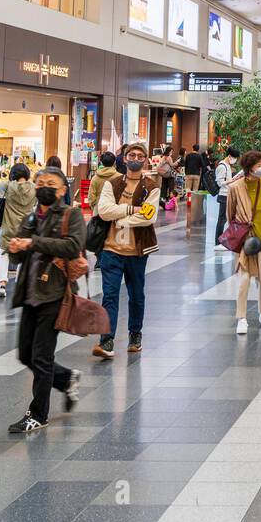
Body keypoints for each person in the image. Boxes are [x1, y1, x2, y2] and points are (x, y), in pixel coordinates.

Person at [6, 164, 85, 433]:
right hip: (30, 294)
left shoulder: (70, 214)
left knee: (41, 356)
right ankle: (66, 379)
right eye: (40, 182)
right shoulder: (31, 218)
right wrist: (15, 247)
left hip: (54, 293)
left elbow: (73, 246)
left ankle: (38, 413)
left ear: (63, 189)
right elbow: (19, 252)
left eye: (51, 183)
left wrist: (33, 243)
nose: (44, 187)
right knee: (25, 354)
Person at [94, 141, 161, 360]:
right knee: (110, 295)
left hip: (137, 251)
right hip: (110, 249)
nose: (135, 159)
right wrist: (132, 209)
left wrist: (122, 219)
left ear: (146, 160)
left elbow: (148, 216)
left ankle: (135, 334)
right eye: (131, 155)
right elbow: (104, 211)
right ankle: (107, 339)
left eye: (140, 156)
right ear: (124, 158)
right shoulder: (111, 184)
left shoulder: (152, 186)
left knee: (136, 295)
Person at [225, 149, 261, 335]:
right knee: (244, 279)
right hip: (246, 242)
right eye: (259, 165)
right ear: (249, 168)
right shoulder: (235, 187)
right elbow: (230, 214)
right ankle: (241, 317)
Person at [0, 163, 36, 300]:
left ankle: (2, 285)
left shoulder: (9, 186)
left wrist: (10, 179)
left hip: (8, 227)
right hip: (25, 229)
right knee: (22, 257)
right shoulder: (33, 188)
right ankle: (19, 285)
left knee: (4, 255)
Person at [213, 146, 240, 249]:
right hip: (223, 195)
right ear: (229, 156)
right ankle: (218, 242)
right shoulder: (222, 166)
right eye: (234, 158)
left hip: (228, 194)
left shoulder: (228, 165)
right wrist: (232, 180)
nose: (235, 160)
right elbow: (220, 183)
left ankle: (221, 242)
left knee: (224, 219)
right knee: (222, 219)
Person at [155, 145, 175, 209]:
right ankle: (170, 199)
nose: (172, 152)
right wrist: (177, 162)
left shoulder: (163, 157)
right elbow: (172, 165)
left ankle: (163, 198)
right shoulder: (169, 157)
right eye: (171, 151)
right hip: (169, 174)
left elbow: (160, 164)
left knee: (164, 186)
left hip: (164, 174)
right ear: (169, 151)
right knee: (170, 187)